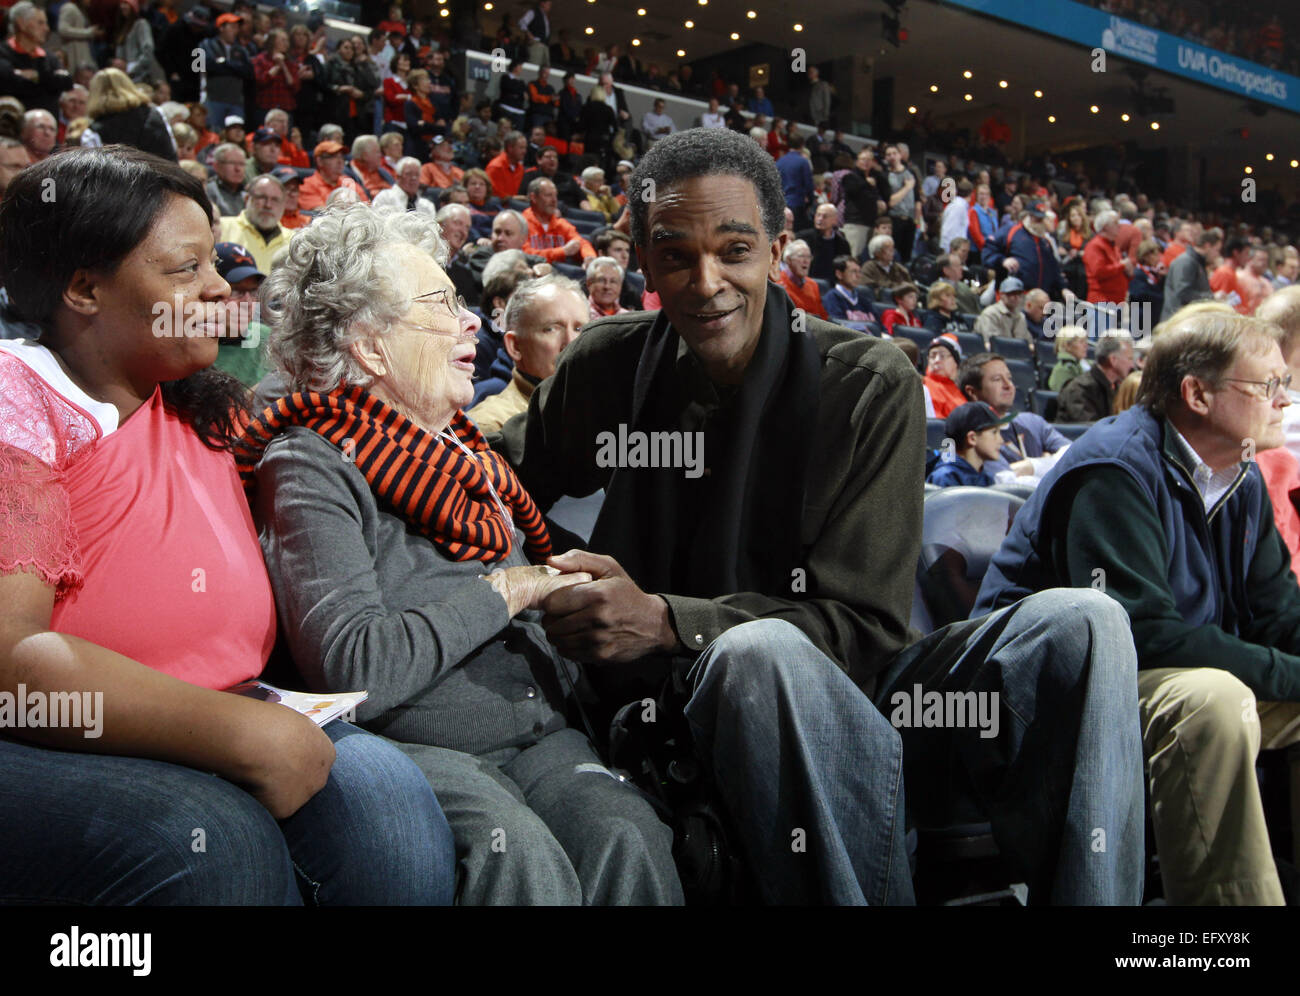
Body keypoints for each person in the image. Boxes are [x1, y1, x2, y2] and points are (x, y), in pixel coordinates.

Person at [493, 128, 1145, 905]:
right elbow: (499, 484)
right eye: (675, 254)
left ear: (778, 248)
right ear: (641, 256)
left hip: (871, 695)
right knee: (757, 654)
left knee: (1088, 621)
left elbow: (867, 630)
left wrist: (670, 619)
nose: (707, 282)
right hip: (690, 701)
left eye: (734, 249)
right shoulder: (605, 363)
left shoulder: (867, 383)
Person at [0, 146, 456, 907]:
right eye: (187, 271)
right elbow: (13, 664)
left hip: (236, 699)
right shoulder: (21, 401)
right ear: (84, 288)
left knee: (391, 818)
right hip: (53, 737)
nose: (221, 289)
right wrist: (231, 733)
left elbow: (353, 426)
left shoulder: (200, 398)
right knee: (213, 847)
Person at [239, 204, 679, 905]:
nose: (471, 321)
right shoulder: (309, 461)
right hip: (420, 749)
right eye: (441, 304)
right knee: (521, 858)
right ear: (371, 346)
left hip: (542, 734)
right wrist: (511, 589)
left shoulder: (470, 457)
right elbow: (354, 667)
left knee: (629, 834)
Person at [976, 309, 1300, 905]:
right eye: (1267, 385)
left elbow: (1278, 614)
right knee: (1212, 702)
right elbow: (1144, 636)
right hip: (1050, 696)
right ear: (1197, 394)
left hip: (1154, 674)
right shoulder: (1114, 468)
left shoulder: (1241, 477)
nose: (1284, 400)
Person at [469, 274, 587, 433]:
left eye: (579, 329)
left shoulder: (603, 407)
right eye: (551, 329)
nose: (571, 342)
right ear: (515, 346)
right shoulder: (491, 428)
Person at [959, 352, 1071, 480]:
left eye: (1009, 378)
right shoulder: (972, 437)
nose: (1008, 385)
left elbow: (1074, 454)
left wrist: (1031, 466)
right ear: (972, 392)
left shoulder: (1032, 421)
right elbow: (1007, 483)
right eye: (997, 379)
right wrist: (1051, 461)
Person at [0, 2, 72, 117]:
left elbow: (66, 81)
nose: (47, 29)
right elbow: (7, 81)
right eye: (40, 23)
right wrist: (48, 81)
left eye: (46, 24)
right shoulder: (3, 53)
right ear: (21, 23)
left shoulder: (50, 58)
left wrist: (37, 76)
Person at [926, 401, 1011, 487]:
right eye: (994, 432)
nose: (1001, 440)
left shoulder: (986, 478)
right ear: (972, 438)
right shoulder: (946, 477)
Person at [219, 174, 290, 275]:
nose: (268, 205)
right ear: (247, 198)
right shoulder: (222, 227)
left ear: (283, 205)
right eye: (262, 197)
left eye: (275, 200)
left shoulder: (293, 241)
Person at [1056, 332, 1134, 422]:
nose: (1131, 365)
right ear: (1113, 360)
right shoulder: (1079, 390)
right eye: (1129, 358)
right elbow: (1091, 431)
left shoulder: (1117, 386)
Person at [200, 12, 252, 135]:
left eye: (237, 27)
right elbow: (203, 65)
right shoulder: (206, 44)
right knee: (212, 134)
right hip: (213, 99)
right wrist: (235, 68)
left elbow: (248, 72)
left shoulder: (242, 50)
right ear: (221, 28)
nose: (236, 30)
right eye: (232, 26)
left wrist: (224, 63)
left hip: (236, 101)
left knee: (235, 136)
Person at [522, 177, 595, 264]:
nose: (554, 200)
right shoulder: (521, 224)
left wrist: (589, 257)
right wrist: (562, 251)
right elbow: (524, 254)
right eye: (548, 195)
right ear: (533, 197)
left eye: (555, 195)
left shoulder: (561, 224)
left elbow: (581, 243)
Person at [299, 139, 370, 211]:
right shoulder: (307, 185)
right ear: (319, 161)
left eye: (341, 157)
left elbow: (366, 208)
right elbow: (323, 215)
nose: (339, 161)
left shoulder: (348, 182)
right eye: (333, 156)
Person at [1084, 209, 1133, 305]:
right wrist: (1122, 265)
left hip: (1116, 302)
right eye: (1115, 223)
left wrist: (1128, 271)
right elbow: (1099, 272)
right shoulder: (1095, 246)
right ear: (1105, 226)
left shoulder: (1114, 246)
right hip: (1102, 302)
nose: (1119, 226)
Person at [796, 202, 850, 283]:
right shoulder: (803, 238)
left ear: (835, 220)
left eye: (825, 216)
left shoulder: (842, 243)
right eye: (818, 215)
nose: (820, 219)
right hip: (807, 283)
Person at [973, 276, 1031, 347]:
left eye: (1019, 294)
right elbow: (991, 343)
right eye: (1012, 293)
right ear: (1002, 295)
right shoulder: (990, 314)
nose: (1016, 297)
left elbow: (1028, 342)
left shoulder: (1021, 316)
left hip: (1017, 355)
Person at [777, 239, 828, 320]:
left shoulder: (813, 284)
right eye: (801, 256)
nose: (806, 261)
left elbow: (823, 316)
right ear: (788, 260)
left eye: (808, 257)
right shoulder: (777, 283)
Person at [924, 332, 967, 417]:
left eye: (942, 356)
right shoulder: (923, 385)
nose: (936, 360)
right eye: (932, 356)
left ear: (955, 362)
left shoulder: (962, 388)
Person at [776, 134, 813, 231]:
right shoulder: (803, 162)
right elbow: (808, 184)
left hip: (781, 204)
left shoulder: (779, 161)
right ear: (802, 145)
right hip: (797, 204)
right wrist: (811, 202)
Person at [823, 255, 872, 323]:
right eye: (853, 271)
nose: (858, 276)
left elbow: (880, 327)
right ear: (839, 274)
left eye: (859, 272)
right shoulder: (831, 298)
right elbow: (837, 327)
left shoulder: (864, 301)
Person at [485, 129, 527, 200]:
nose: (524, 151)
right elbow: (492, 196)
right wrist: (514, 198)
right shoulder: (495, 167)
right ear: (510, 148)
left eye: (525, 148)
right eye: (521, 148)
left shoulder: (520, 168)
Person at [1047, 325, 1090, 392]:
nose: (1086, 345)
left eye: (1085, 341)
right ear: (1067, 345)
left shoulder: (1087, 364)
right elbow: (1070, 396)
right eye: (1081, 342)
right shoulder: (1063, 369)